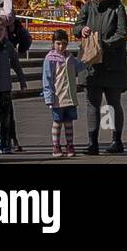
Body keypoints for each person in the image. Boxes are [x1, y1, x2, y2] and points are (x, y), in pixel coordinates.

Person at [74, 0, 127, 155]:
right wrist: (82, 29)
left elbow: (122, 33)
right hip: (91, 63)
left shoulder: (117, 8)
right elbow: (76, 27)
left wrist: (103, 45)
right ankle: (93, 142)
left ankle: (116, 139)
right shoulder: (88, 8)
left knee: (113, 104)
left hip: (112, 63)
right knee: (92, 104)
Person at [0, 15, 27, 155]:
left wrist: (22, 81)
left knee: (6, 118)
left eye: (1, 29)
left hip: (5, 88)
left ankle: (5, 142)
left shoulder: (8, 45)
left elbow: (15, 63)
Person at [42, 29, 87, 158]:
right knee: (57, 121)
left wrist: (89, 60)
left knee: (69, 122)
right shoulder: (50, 59)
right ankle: (56, 145)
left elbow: (78, 67)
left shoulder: (70, 57)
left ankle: (70, 144)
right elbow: (47, 78)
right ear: (53, 43)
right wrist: (48, 97)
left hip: (69, 95)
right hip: (57, 96)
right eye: (58, 43)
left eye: (64, 43)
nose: (61, 46)